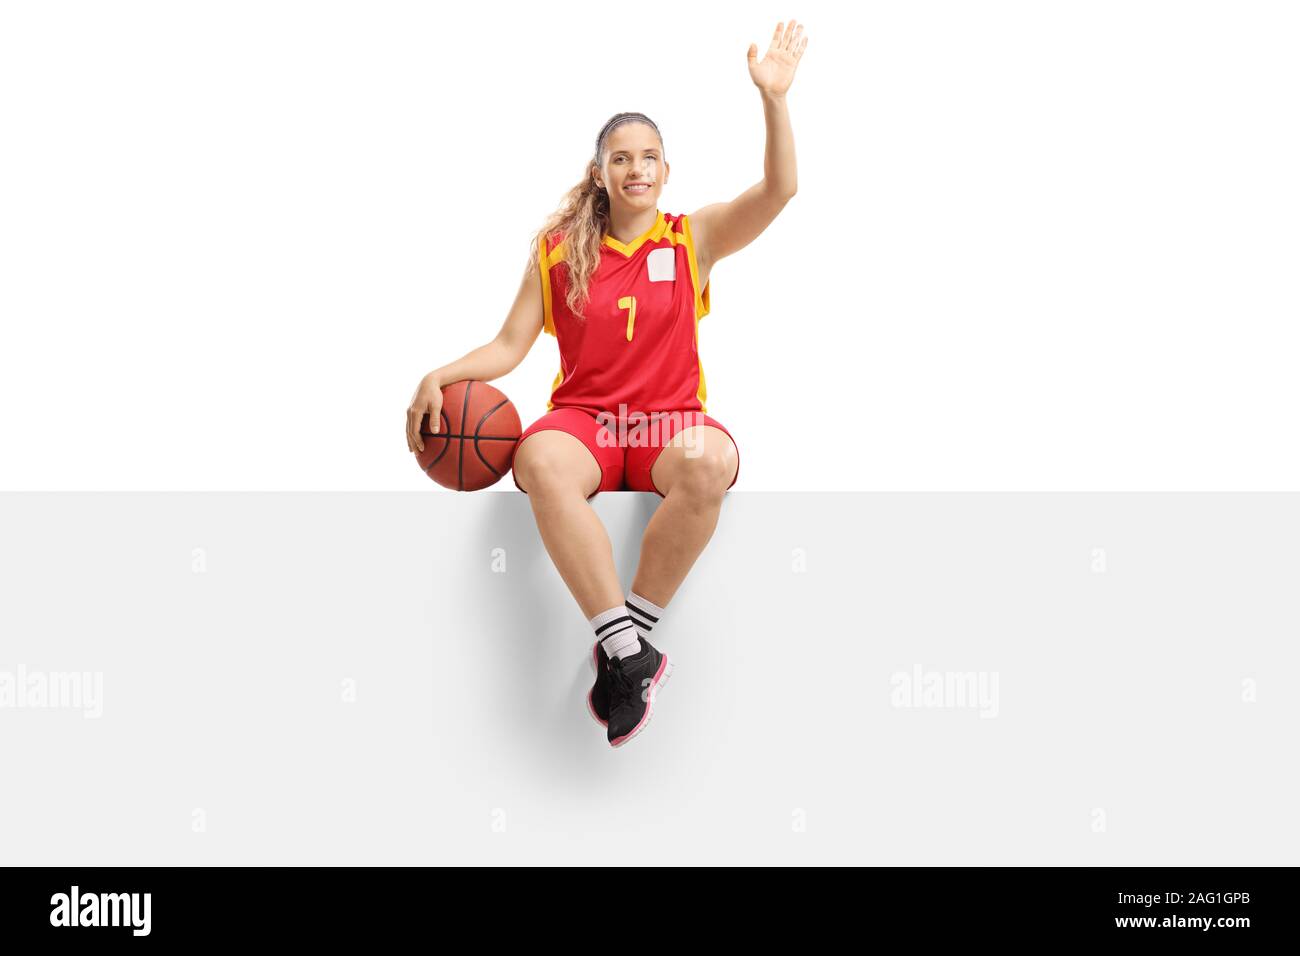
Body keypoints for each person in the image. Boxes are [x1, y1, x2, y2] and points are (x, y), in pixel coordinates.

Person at [407, 20, 807, 747]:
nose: (636, 169)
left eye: (649, 157)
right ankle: (627, 649)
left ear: (665, 170)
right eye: (621, 158)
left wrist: (774, 99)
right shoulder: (557, 252)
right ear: (599, 172)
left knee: (710, 462)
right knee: (538, 458)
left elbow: (782, 190)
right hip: (588, 422)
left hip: (667, 424)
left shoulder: (695, 238)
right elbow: (508, 345)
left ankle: (627, 644)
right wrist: (440, 373)